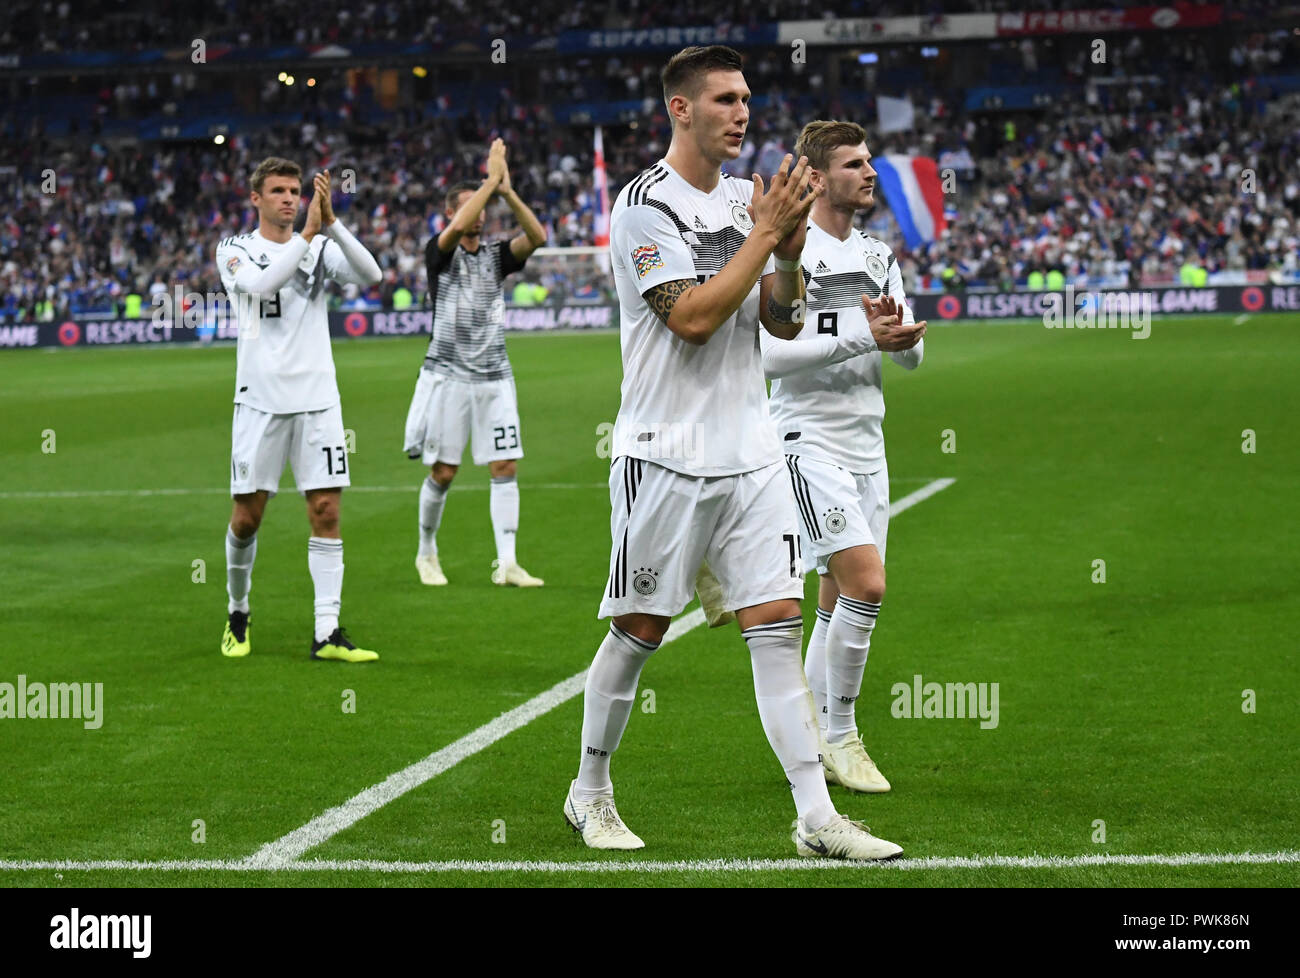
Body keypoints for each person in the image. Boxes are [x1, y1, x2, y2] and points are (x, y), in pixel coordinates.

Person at [563, 47, 903, 861]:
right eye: (723, 99)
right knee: (639, 630)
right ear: (680, 109)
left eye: (746, 97)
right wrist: (766, 233)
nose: (742, 112)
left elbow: (778, 322)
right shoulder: (644, 206)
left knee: (778, 625)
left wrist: (785, 255)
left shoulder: (744, 200)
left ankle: (816, 819)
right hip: (665, 452)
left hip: (752, 451)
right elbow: (691, 318)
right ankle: (590, 791)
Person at [761, 120, 926, 792]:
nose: (869, 173)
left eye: (869, 161)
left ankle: (813, 740)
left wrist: (902, 336)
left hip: (868, 446)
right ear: (817, 176)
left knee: (836, 602)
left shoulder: (879, 254)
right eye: (854, 164)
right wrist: (864, 336)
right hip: (806, 442)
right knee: (867, 584)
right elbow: (767, 355)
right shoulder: (788, 250)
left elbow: (911, 354)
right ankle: (841, 735)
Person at [217, 159, 383, 662]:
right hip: (259, 401)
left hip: (318, 400)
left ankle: (326, 632)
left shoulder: (320, 245)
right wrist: (308, 235)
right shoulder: (234, 250)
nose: (289, 198)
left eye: (295, 190)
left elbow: (372, 275)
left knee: (326, 511)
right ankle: (238, 611)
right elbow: (261, 287)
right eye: (278, 191)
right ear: (256, 198)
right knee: (247, 518)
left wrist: (332, 223)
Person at [405, 138, 547, 588]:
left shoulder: (495, 256)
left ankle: (507, 563)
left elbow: (538, 238)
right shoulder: (439, 252)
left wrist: (506, 191)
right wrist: (490, 180)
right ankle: (426, 552)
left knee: (505, 466)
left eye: (485, 206)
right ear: (452, 213)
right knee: (444, 472)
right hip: (448, 376)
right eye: (472, 206)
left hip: (494, 376)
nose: (481, 213)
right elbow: (458, 227)